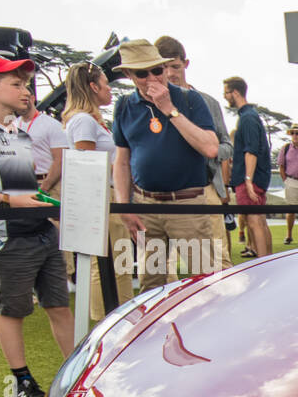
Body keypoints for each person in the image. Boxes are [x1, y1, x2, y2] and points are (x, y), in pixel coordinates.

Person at [0, 54, 73, 397]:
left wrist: (44, 204)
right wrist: (7, 202)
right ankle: (23, 380)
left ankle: (76, 375)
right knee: (13, 309)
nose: (26, 91)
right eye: (16, 83)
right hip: (6, 233)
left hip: (39, 228)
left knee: (59, 304)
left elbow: (21, 187)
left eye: (25, 84)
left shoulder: (17, 130)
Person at [112, 40, 219, 287]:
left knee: (205, 282)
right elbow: (122, 161)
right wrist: (123, 206)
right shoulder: (125, 106)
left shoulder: (190, 99)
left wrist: (169, 109)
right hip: (145, 205)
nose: (152, 78)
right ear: (129, 75)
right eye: (142, 73)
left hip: (187, 203)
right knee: (151, 284)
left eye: (157, 70)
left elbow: (210, 147)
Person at [62, 61, 134, 320]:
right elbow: (88, 164)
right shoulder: (82, 121)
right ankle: (107, 318)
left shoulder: (91, 120)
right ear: (93, 87)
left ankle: (120, 314)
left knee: (118, 262)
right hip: (103, 197)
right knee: (105, 262)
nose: (109, 90)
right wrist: (125, 167)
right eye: (105, 84)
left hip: (109, 195)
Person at [155, 35, 234, 271]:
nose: (170, 73)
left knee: (218, 261)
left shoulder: (207, 102)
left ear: (185, 64)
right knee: (160, 268)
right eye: (163, 67)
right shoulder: (147, 104)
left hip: (204, 187)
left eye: (175, 66)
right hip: (161, 193)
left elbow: (226, 146)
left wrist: (204, 149)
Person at [223, 76, 271, 259]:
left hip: (250, 178)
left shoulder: (248, 118)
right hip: (254, 177)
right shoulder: (249, 116)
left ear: (235, 92)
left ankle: (263, 262)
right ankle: (268, 261)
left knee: (254, 222)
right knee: (260, 221)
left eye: (226, 93)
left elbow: (251, 151)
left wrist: (248, 180)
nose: (225, 97)